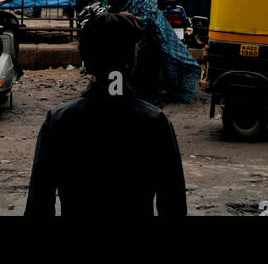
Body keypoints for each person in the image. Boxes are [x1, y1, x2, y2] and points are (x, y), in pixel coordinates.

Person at [25, 12, 187, 218]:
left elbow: (39, 204)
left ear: (85, 58)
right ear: (130, 59)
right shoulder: (154, 122)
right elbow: (173, 204)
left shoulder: (60, 122)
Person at [123, 0, 200, 105]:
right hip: (144, 40)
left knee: (145, 75)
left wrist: (129, 17)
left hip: (150, 42)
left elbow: (147, 20)